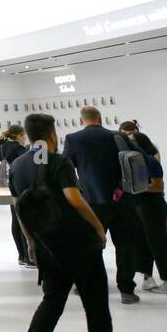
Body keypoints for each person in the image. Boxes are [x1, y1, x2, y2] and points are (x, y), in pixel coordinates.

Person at [9, 113, 140, 332]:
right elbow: (74, 198)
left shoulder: (17, 166)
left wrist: (31, 241)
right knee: (97, 309)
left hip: (48, 247)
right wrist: (98, 228)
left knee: (53, 301)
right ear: (51, 133)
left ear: (29, 136)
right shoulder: (58, 162)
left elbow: (19, 207)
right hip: (78, 245)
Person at [63, 106, 141, 304]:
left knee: (91, 245)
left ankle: (88, 285)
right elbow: (139, 158)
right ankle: (126, 290)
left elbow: (65, 167)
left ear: (82, 120)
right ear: (100, 118)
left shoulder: (73, 139)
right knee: (125, 246)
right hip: (123, 199)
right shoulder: (118, 136)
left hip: (92, 202)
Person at [117, 121, 167, 293]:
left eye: (132, 141)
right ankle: (147, 276)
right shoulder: (128, 163)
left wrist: (136, 188)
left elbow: (158, 186)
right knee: (141, 243)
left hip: (151, 205)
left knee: (158, 242)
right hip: (137, 206)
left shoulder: (150, 161)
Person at [0, 126, 32, 266]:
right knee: (24, 219)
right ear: (18, 135)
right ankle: (28, 257)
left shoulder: (2, 148)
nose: (25, 138)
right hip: (21, 185)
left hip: (8, 185)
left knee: (15, 218)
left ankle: (21, 255)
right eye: (23, 135)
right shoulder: (19, 149)